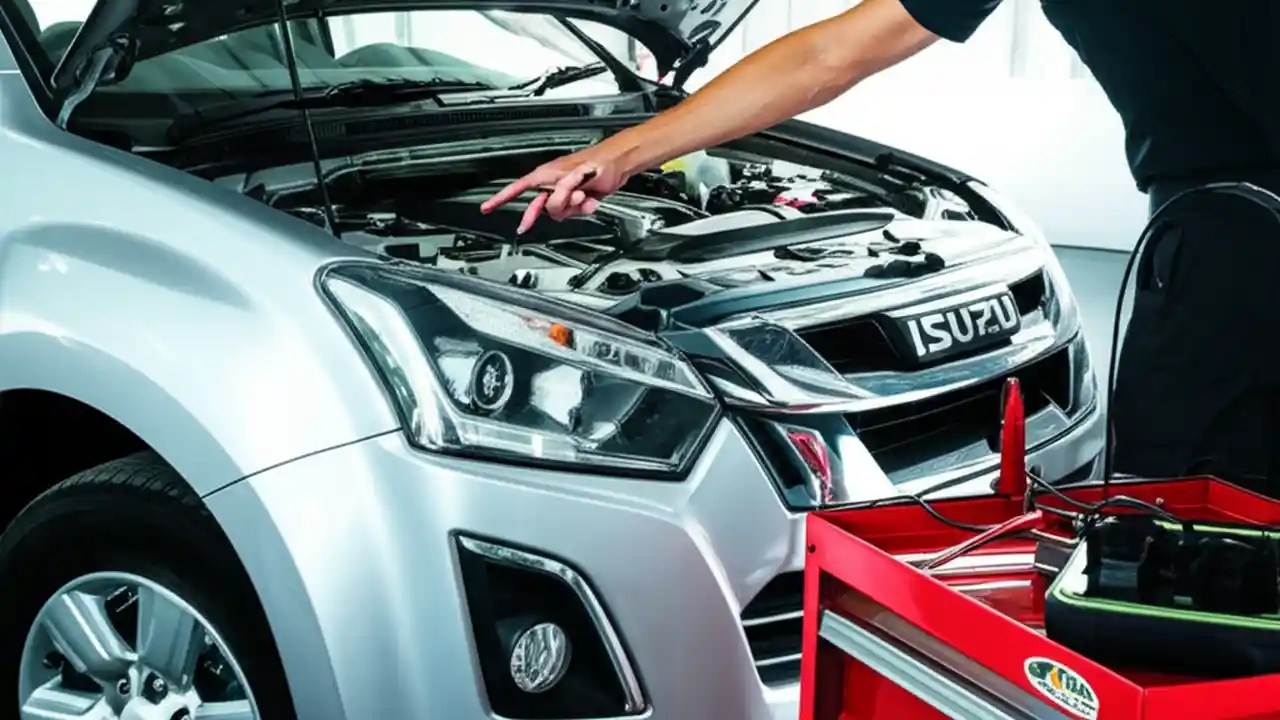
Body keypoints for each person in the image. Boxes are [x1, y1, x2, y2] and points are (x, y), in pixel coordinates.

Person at [481, 0, 1280, 489]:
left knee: (1185, 519)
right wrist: (618, 150)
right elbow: (826, 53)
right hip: (1229, 227)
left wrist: (620, 153)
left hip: (1239, 246)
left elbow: (833, 54)